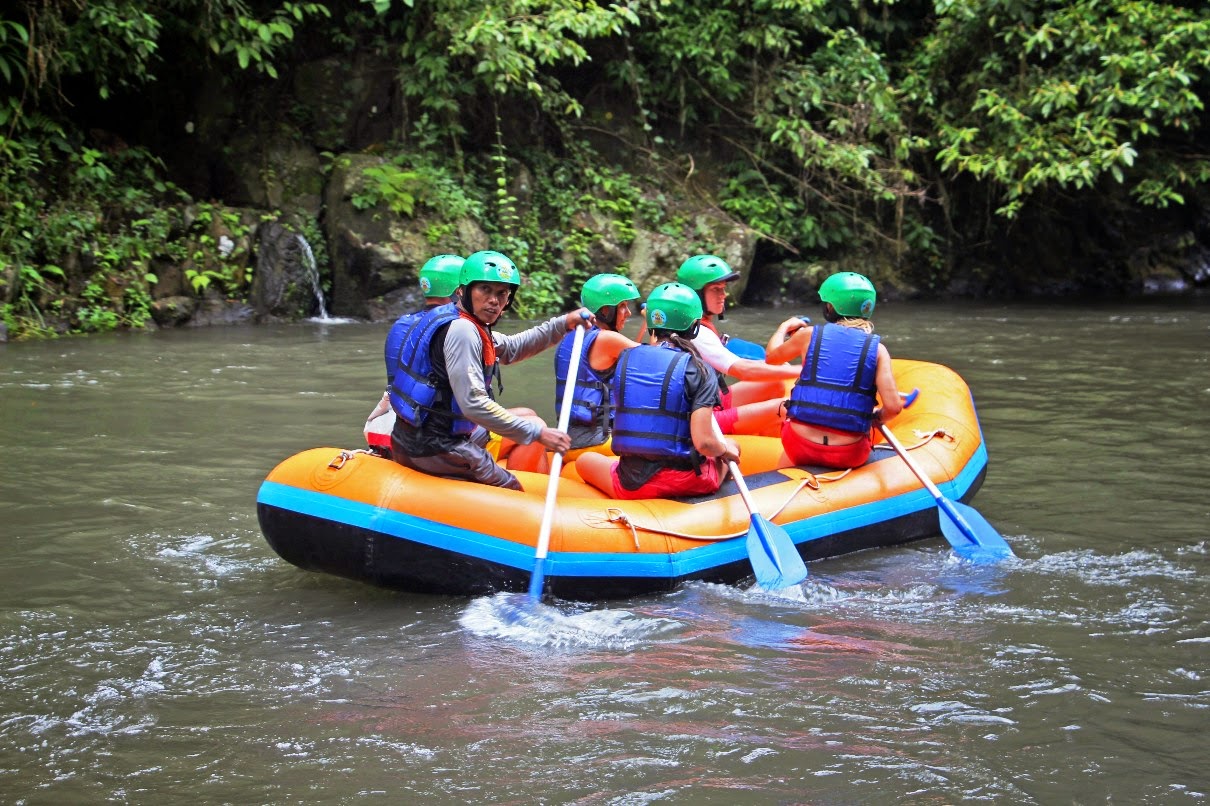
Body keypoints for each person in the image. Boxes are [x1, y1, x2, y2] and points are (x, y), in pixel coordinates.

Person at [388, 250, 592, 491]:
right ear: (462, 291)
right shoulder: (462, 331)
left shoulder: (461, 319)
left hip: (418, 436)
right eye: (485, 289)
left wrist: (564, 324)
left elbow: (513, 347)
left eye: (502, 293)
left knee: (528, 416)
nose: (494, 300)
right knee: (512, 490)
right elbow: (474, 403)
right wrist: (538, 433)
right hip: (434, 446)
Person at [576, 282, 740, 499]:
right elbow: (704, 442)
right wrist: (725, 450)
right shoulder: (699, 368)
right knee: (733, 445)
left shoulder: (624, 359)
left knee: (584, 461)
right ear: (694, 326)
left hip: (631, 483)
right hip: (688, 481)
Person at [764, 271, 901, 469]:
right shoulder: (878, 350)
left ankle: (782, 480)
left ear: (830, 307)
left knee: (789, 446)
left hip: (799, 445)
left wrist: (784, 328)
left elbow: (771, 358)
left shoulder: (808, 335)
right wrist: (875, 418)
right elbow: (894, 407)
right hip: (849, 453)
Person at [674, 254, 800, 434]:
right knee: (785, 406)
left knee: (777, 382)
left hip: (708, 402)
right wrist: (802, 371)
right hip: (703, 420)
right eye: (716, 289)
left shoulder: (691, 325)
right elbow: (743, 370)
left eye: (723, 288)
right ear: (696, 295)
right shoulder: (697, 333)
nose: (723, 295)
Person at [364, 254, 464, 452]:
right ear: (458, 291)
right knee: (525, 416)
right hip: (425, 432)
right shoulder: (453, 328)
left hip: (391, 420)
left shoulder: (401, 323)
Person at [553, 273, 642, 457]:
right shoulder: (606, 339)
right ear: (606, 311)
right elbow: (659, 361)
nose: (628, 313)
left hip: (571, 434)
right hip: (595, 438)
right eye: (623, 306)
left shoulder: (570, 336)